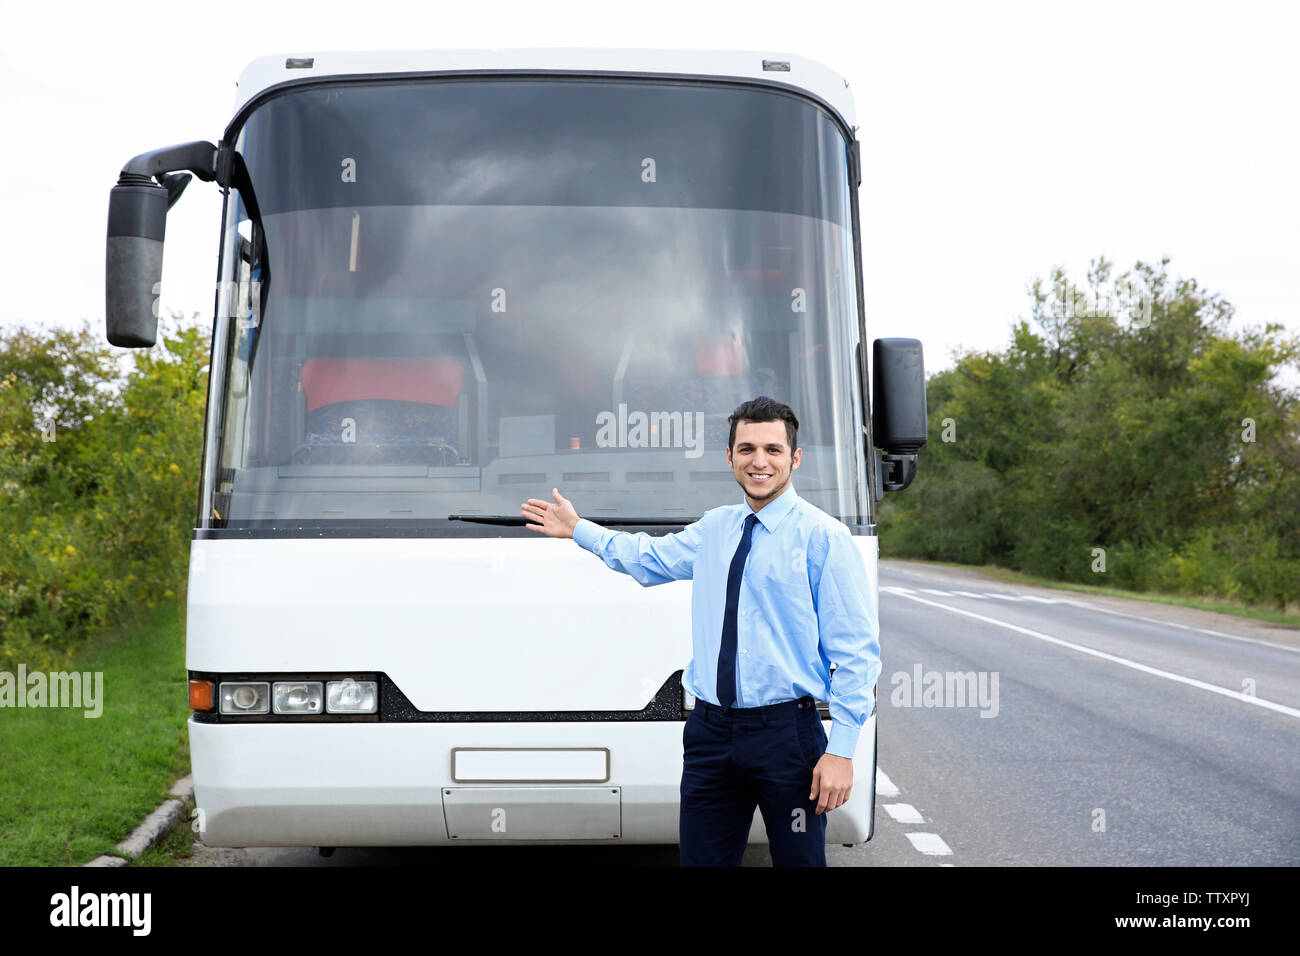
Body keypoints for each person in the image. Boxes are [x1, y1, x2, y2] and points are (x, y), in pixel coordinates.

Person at [519, 396, 879, 866]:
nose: (760, 461)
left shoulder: (823, 538)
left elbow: (856, 654)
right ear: (730, 457)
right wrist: (579, 529)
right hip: (712, 734)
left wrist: (842, 751)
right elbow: (648, 559)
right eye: (747, 449)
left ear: (794, 458)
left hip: (788, 738)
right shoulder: (716, 529)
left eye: (773, 449)